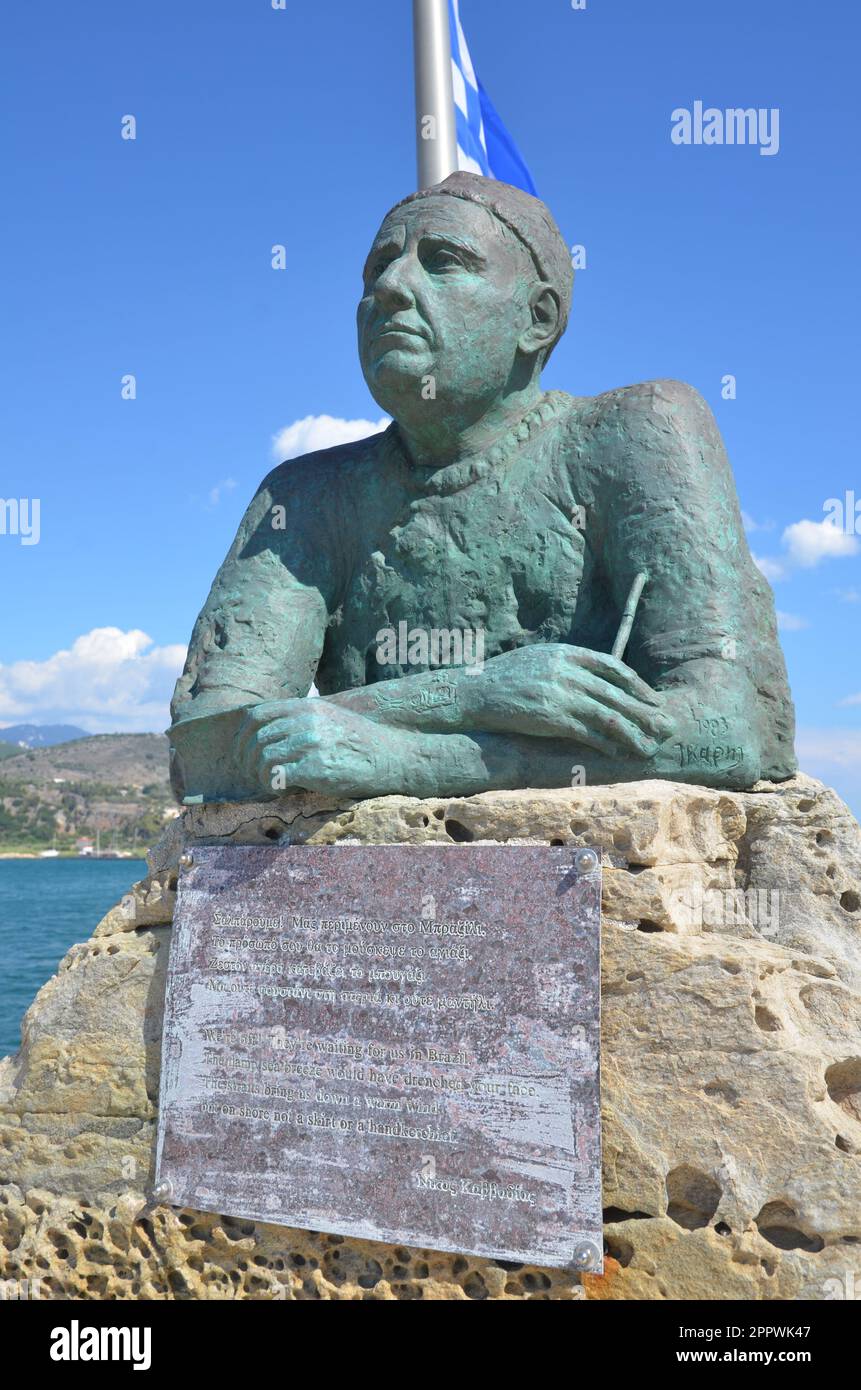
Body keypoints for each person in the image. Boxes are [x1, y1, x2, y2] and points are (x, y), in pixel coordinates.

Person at [168, 173, 795, 803]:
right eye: (379, 268)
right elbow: (205, 753)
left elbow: (728, 732)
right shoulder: (303, 497)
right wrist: (473, 693)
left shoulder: (636, 432)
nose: (390, 286)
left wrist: (414, 760)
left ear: (537, 318)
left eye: (443, 262)